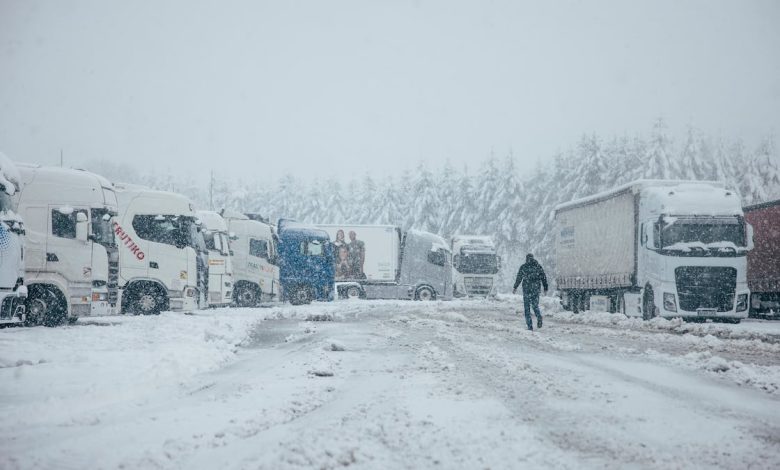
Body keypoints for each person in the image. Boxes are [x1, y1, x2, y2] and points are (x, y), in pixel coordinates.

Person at [512, 254, 548, 331]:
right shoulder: (538, 266)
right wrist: (545, 288)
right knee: (535, 306)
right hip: (536, 289)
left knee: (527, 308)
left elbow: (519, 278)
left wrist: (515, 287)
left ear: (526, 259)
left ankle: (530, 326)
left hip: (527, 290)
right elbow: (543, 277)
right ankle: (539, 316)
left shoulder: (523, 267)